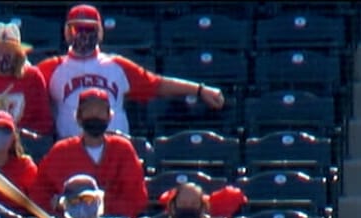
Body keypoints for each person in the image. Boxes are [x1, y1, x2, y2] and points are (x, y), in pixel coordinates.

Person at [37, 4, 225, 139]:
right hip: (71, 152)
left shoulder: (116, 65)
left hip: (117, 151)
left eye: (90, 28)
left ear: (100, 32)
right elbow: (22, 84)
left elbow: (157, 84)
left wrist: (200, 90)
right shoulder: (51, 68)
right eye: (78, 28)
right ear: (67, 32)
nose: (84, 34)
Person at [30, 88, 147, 218]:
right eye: (89, 111)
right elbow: (39, 193)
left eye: (100, 111)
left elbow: (137, 198)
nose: (95, 116)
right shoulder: (61, 151)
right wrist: (59, 206)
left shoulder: (122, 149)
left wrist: (95, 205)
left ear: (109, 117)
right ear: (79, 118)